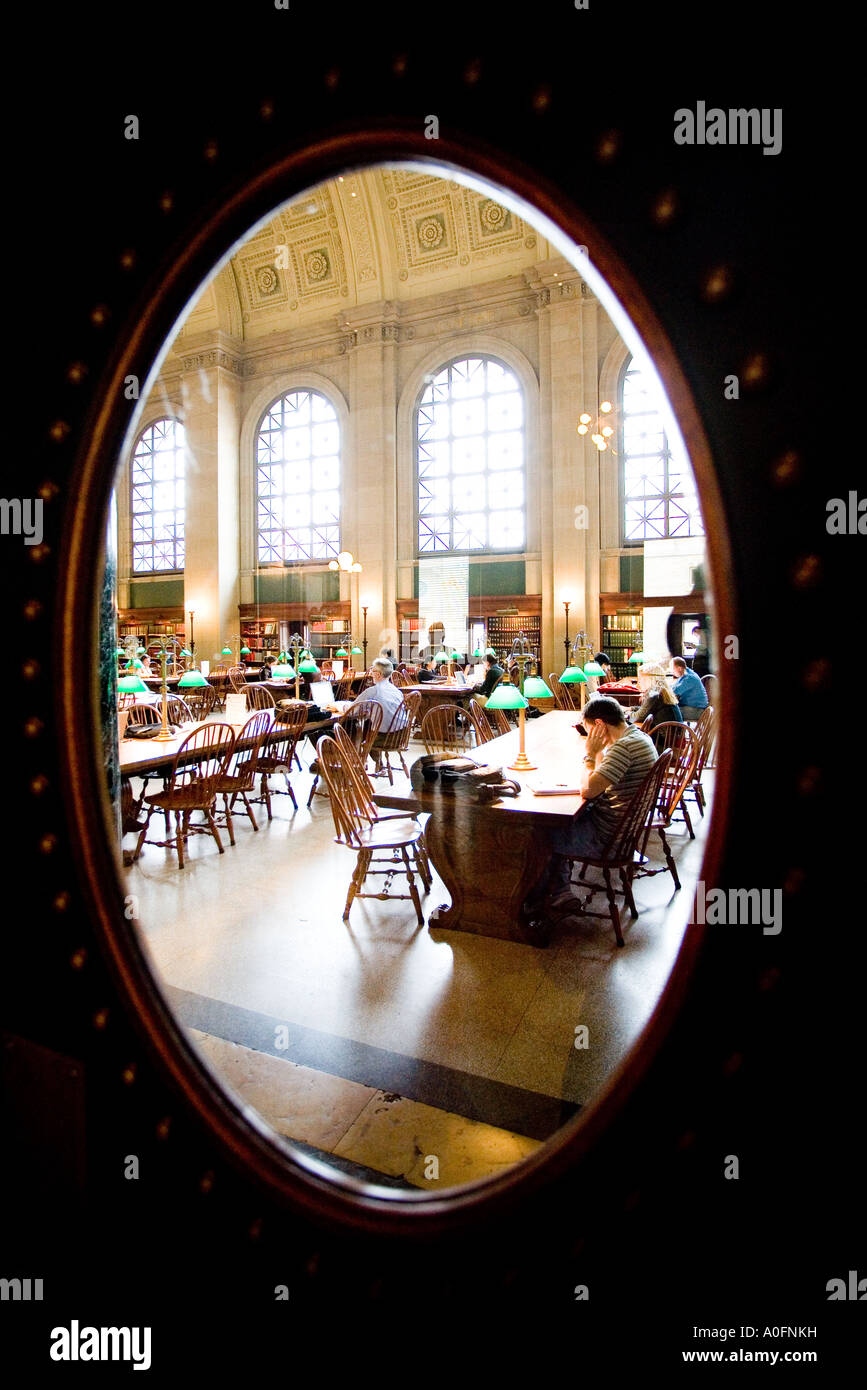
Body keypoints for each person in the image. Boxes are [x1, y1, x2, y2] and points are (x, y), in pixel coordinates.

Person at [524, 695, 658, 920]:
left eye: (588, 730)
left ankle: (544, 898)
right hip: (625, 831)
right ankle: (560, 890)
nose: (588, 736)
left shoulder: (623, 748)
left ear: (599, 725)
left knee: (539, 833)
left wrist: (591, 754)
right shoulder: (638, 737)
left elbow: (588, 790)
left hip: (608, 839)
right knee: (561, 816)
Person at [631, 663, 683, 729]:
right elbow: (647, 709)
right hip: (674, 736)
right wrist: (631, 709)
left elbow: (637, 718)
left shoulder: (654, 694)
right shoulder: (660, 690)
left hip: (664, 737)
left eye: (641, 679)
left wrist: (625, 715)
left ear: (651, 679)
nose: (639, 683)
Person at [670, 656, 708, 721]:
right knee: (670, 709)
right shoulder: (686, 673)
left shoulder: (689, 678)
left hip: (698, 710)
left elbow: (674, 691)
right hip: (693, 707)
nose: (671, 671)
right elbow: (675, 686)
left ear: (679, 668)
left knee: (670, 712)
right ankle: (677, 730)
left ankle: (678, 730)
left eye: (672, 669)